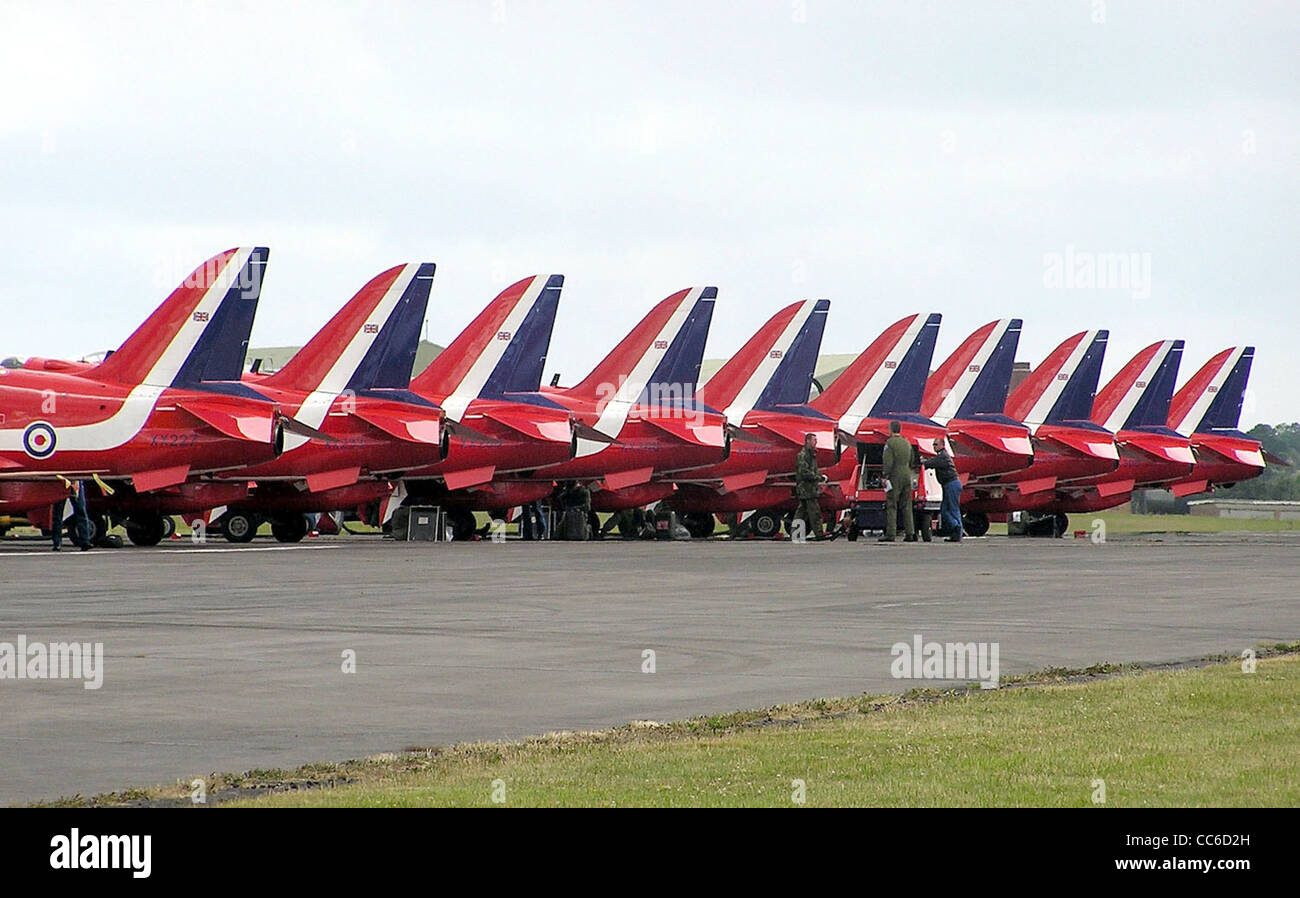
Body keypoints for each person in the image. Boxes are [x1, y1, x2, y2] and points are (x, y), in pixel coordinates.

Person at [880, 421, 916, 542]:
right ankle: (910, 533)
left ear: (890, 430)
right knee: (907, 505)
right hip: (907, 475)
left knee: (892, 504)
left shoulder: (890, 443)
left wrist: (885, 475)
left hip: (895, 476)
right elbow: (912, 460)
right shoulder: (907, 442)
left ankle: (891, 533)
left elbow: (888, 462)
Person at [923, 437, 963, 541]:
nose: (934, 447)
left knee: (952, 509)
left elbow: (929, 463)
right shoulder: (942, 456)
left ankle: (957, 529)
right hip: (948, 485)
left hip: (951, 484)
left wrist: (921, 463)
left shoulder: (943, 456)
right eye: (933, 445)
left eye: (936, 444)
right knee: (945, 510)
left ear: (942, 445)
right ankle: (955, 531)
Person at [793, 432, 826, 540]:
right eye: (813, 440)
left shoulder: (811, 455)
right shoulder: (803, 455)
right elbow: (804, 472)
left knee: (801, 513)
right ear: (807, 441)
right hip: (807, 489)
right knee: (814, 512)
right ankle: (819, 534)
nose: (815, 442)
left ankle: (795, 534)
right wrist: (818, 477)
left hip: (809, 488)